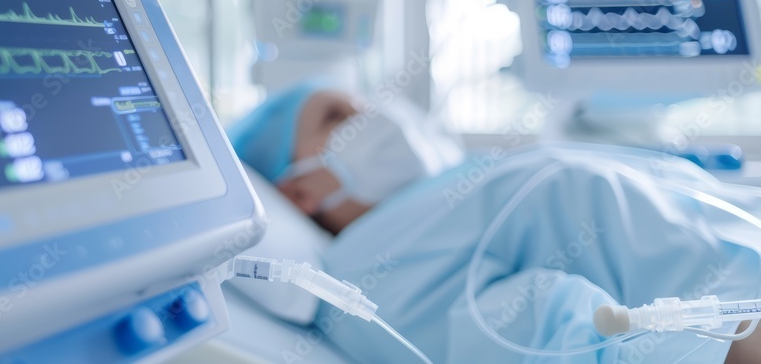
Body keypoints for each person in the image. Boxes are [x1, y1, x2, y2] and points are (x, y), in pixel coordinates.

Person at [226, 82, 761, 364]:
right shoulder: (372, 271)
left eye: (361, 103)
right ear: (298, 190)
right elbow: (571, 348)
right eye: (336, 118)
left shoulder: (441, 197)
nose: (370, 118)